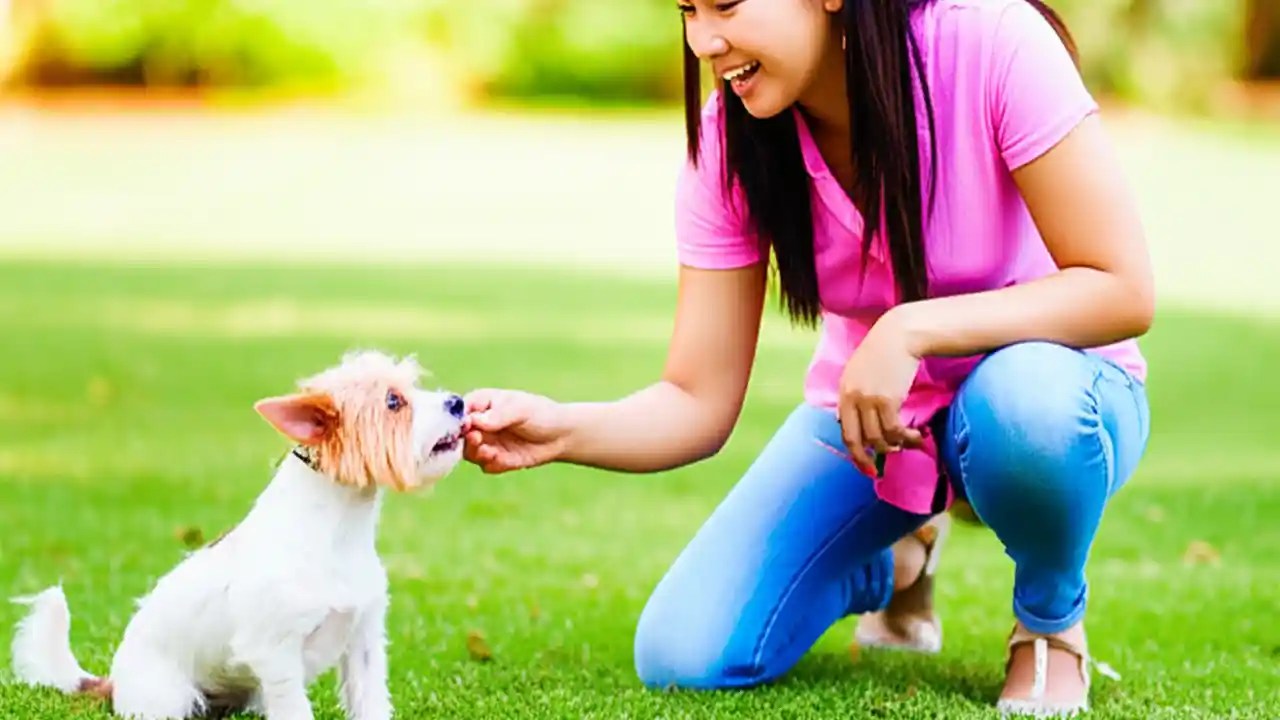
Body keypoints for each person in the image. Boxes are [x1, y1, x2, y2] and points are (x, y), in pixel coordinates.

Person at [461, 0, 1153, 715]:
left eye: (725, 5)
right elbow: (696, 399)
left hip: (1061, 399)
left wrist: (909, 330)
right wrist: (561, 429)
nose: (704, 41)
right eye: (687, 12)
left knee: (1025, 405)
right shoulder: (731, 146)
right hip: (881, 430)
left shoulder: (993, 39)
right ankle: (899, 557)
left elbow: (1120, 286)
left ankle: (1047, 624)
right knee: (682, 652)